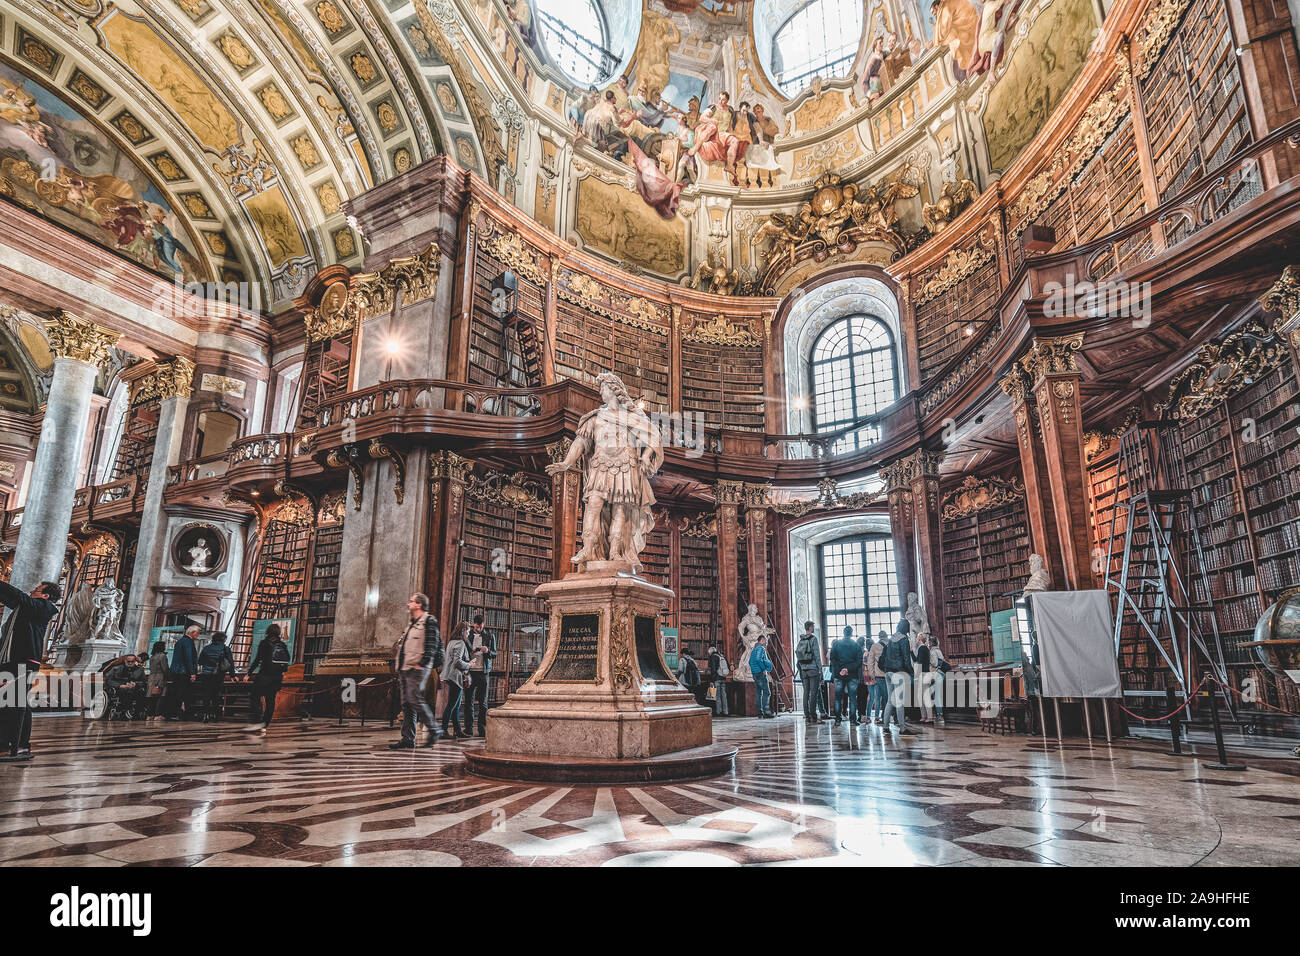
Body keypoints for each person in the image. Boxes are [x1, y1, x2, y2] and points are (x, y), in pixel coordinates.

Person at [0, 579, 59, 761]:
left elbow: (19, 596)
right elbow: (11, 598)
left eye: (37, 589)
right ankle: (9, 744)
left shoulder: (44, 607)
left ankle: (17, 746)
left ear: (45, 595)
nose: (32, 590)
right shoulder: (25, 610)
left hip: (25, 660)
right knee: (8, 702)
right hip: (11, 660)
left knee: (15, 702)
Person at [391, 594, 443, 749]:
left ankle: (434, 729)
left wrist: (423, 663)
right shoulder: (412, 623)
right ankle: (408, 738)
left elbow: (432, 643)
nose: (409, 603)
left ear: (419, 604)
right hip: (406, 668)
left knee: (414, 699)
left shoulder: (429, 620)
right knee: (407, 704)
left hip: (417, 667)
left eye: (412, 601)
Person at [245, 622, 291, 736]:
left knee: (254, 697)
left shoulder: (264, 643)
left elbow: (257, 660)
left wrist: (249, 673)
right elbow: (288, 659)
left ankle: (258, 721)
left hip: (264, 676)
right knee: (270, 701)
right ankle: (265, 724)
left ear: (268, 632)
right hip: (277, 678)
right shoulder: (282, 645)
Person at [462, 613, 496, 738]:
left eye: (480, 627)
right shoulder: (468, 635)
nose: (478, 629)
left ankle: (482, 729)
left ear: (483, 625)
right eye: (476, 627)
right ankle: (468, 729)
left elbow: (494, 653)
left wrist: (487, 651)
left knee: (483, 703)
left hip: (483, 672)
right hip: (470, 672)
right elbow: (463, 651)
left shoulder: (490, 635)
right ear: (473, 625)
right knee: (468, 702)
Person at [880, 620, 916, 735]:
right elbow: (906, 658)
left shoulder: (891, 639)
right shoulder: (904, 639)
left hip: (888, 672)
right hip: (899, 672)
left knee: (890, 700)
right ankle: (902, 728)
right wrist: (911, 672)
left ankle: (885, 726)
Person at [440, 621, 471, 739]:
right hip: (455, 677)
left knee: (456, 705)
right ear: (463, 631)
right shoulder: (460, 643)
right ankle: (443, 730)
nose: (468, 633)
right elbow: (457, 662)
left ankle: (457, 730)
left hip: (449, 675)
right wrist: (469, 665)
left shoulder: (451, 642)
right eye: (467, 631)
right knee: (451, 705)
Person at [196, 631, 234, 722]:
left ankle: (205, 714)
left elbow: (200, 661)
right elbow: (230, 663)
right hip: (218, 675)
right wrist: (232, 675)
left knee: (206, 694)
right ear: (223, 639)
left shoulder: (206, 648)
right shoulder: (225, 649)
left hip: (206, 674)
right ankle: (215, 715)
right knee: (216, 694)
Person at [164, 625, 199, 721]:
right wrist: (192, 672)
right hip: (184, 671)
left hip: (177, 671)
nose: (198, 635)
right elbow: (188, 658)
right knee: (182, 693)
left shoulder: (180, 641)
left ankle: (172, 713)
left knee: (176, 693)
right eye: (197, 633)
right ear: (192, 633)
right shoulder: (188, 642)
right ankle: (177, 713)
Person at [829, 626, 862, 726]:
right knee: (852, 698)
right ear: (851, 633)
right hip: (852, 675)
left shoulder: (836, 644)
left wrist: (841, 670)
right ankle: (852, 721)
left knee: (838, 698)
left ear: (843, 633)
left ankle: (838, 720)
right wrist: (848, 669)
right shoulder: (856, 645)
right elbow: (859, 661)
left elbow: (832, 659)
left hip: (839, 675)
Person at [794, 621, 823, 723]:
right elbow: (817, 655)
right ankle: (813, 716)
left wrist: (801, 668)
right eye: (813, 626)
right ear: (810, 628)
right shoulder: (813, 639)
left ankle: (807, 715)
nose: (814, 628)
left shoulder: (801, 639)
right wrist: (820, 668)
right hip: (813, 669)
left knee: (806, 692)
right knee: (814, 693)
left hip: (803, 670)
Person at [105, 654, 147, 719]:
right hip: (120, 688)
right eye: (128, 661)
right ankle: (125, 711)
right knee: (126, 692)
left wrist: (136, 684)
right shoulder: (116, 668)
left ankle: (136, 712)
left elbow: (143, 682)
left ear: (135, 661)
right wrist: (119, 685)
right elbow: (108, 680)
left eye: (132, 661)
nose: (130, 663)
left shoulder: (140, 669)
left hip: (134, 688)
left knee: (142, 692)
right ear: (125, 661)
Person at [749, 633, 775, 718]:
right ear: (762, 640)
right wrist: (763, 669)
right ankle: (766, 712)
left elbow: (750, 661)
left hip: (755, 673)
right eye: (766, 640)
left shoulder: (754, 649)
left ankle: (760, 713)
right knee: (767, 692)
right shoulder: (761, 648)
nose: (766, 642)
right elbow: (758, 659)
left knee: (759, 693)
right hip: (760, 673)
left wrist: (755, 669)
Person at [866, 632, 889, 724]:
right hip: (891, 674)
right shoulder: (892, 643)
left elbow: (870, 662)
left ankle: (878, 717)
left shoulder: (875, 646)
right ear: (886, 636)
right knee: (888, 698)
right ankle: (885, 717)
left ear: (879, 637)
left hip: (879, 675)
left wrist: (872, 675)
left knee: (877, 697)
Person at [146, 641, 168, 721]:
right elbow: (164, 668)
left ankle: (149, 715)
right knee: (160, 696)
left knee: (152, 697)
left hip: (151, 677)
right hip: (160, 677)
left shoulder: (152, 657)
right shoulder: (162, 656)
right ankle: (158, 715)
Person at [917, 635, 934, 724]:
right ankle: (925, 716)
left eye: (917, 638)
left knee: (924, 697)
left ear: (919, 640)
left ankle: (929, 717)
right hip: (926, 673)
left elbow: (918, 662)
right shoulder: (926, 649)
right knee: (923, 696)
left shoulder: (921, 648)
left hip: (922, 674)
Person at [707, 644, 729, 717]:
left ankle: (718, 711)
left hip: (717, 679)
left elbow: (713, 670)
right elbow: (728, 667)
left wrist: (711, 680)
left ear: (710, 652)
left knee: (717, 695)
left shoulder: (713, 657)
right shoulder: (722, 656)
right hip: (723, 678)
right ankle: (725, 712)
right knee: (724, 695)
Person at [930, 638, 948, 723]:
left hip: (936, 674)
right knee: (937, 695)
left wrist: (929, 660)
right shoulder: (939, 651)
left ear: (931, 643)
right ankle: (938, 714)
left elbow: (935, 664)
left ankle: (939, 715)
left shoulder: (933, 652)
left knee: (935, 695)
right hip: (941, 674)